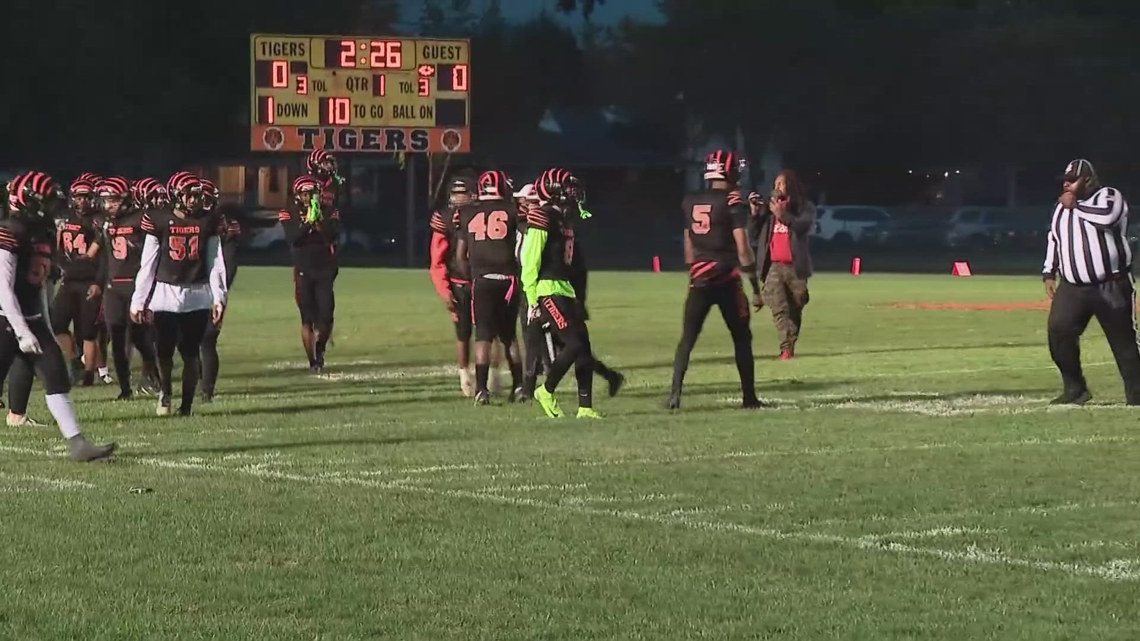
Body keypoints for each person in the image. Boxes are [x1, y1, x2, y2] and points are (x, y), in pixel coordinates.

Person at [0, 171, 115, 461]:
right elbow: (2, 287)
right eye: (45, 200)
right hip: (4, 319)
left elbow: (41, 284)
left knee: (56, 375)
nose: (51, 206)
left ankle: (77, 443)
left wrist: (43, 323)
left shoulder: (45, 231)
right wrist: (21, 330)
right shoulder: (9, 230)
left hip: (32, 318)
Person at [667, 150, 764, 410]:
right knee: (741, 337)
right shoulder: (733, 201)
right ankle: (749, 397)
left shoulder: (691, 200)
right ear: (730, 172)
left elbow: (689, 244)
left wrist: (695, 271)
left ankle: (674, 394)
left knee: (687, 338)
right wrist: (755, 286)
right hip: (726, 278)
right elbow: (743, 248)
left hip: (699, 278)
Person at [1043, 158, 1140, 405]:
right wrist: (1049, 272)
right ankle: (1075, 389)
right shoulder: (1061, 207)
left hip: (1110, 284)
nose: (1066, 185)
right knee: (1059, 332)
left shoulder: (1109, 196)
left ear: (1088, 180)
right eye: (1064, 181)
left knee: (1123, 342)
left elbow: (1107, 219)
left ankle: (1137, 395)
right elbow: (1055, 238)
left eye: (1072, 180)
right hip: (1073, 287)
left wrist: (1075, 206)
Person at [130, 172, 227, 416]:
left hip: (196, 293)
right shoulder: (159, 220)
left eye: (196, 195)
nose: (194, 200)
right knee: (164, 351)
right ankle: (166, 393)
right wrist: (139, 300)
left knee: (191, 353)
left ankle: (186, 405)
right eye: (189, 195)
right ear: (175, 196)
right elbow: (148, 263)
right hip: (165, 294)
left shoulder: (209, 221)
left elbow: (215, 262)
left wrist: (219, 297)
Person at [520, 167, 601, 419]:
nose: (572, 192)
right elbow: (529, 262)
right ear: (553, 191)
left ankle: (585, 408)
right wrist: (533, 299)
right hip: (547, 289)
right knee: (574, 344)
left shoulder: (562, 218)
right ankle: (546, 390)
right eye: (567, 188)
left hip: (564, 289)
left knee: (584, 349)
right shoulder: (542, 217)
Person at [455, 170, 525, 404]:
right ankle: (518, 387)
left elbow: (460, 256)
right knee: (509, 336)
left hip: (482, 280)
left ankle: (481, 390)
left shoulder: (467, 213)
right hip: (508, 279)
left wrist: (472, 276)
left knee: (483, 336)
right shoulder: (511, 211)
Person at [103, 177, 160, 400]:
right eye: (106, 200)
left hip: (136, 286)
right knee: (116, 338)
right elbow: (105, 258)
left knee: (140, 336)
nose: (108, 205)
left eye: (113, 200)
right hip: (113, 287)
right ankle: (125, 388)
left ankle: (152, 374)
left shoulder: (141, 220)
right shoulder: (106, 222)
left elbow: (152, 255)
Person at [751, 170, 815, 360]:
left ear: (791, 186)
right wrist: (755, 214)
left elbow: (803, 226)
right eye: (775, 184)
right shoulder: (768, 211)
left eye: (781, 184)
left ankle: (790, 345)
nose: (777, 188)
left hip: (795, 267)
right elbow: (753, 235)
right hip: (773, 266)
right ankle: (785, 349)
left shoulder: (804, 207)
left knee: (796, 306)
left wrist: (783, 215)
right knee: (779, 308)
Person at [279, 175, 338, 373]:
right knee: (307, 318)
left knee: (327, 316)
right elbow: (293, 238)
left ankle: (320, 349)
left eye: (312, 193)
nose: (308, 197)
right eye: (305, 193)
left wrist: (319, 220)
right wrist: (307, 223)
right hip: (303, 269)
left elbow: (332, 236)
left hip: (324, 268)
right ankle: (313, 361)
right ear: (298, 195)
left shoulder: (330, 211)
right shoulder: (289, 212)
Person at [52, 176, 105, 385]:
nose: (82, 201)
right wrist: (58, 265)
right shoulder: (64, 217)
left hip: (89, 280)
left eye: (85, 197)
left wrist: (98, 283)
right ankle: (75, 361)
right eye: (78, 197)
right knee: (57, 323)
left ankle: (89, 375)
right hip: (69, 279)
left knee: (88, 331)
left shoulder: (98, 220)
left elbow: (100, 255)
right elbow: (58, 246)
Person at [429, 175, 476, 396]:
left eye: (463, 193)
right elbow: (437, 260)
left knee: (491, 331)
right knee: (463, 333)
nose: (459, 198)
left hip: (484, 281)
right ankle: (465, 376)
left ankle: (492, 376)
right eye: (456, 193)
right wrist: (444, 290)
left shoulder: (482, 214)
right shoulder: (445, 219)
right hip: (459, 283)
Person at [200, 190, 240, 401]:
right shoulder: (184, 220)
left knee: (207, 339)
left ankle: (207, 389)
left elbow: (229, 262)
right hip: (186, 287)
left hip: (212, 288)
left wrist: (221, 295)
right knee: (187, 341)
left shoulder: (224, 223)